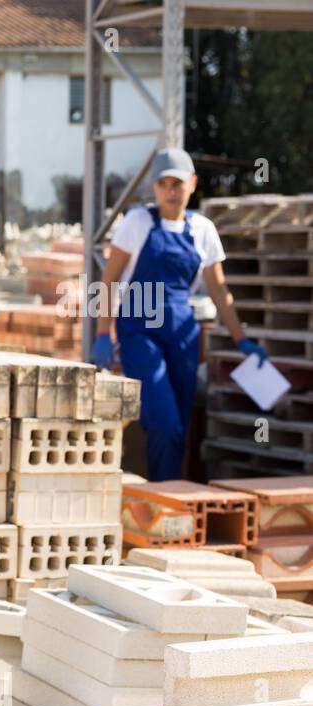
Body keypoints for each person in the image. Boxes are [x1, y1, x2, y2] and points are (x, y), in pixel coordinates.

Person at [92, 148, 268, 481]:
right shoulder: (137, 222)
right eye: (165, 184)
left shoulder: (202, 229)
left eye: (179, 183)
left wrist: (242, 340)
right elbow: (109, 279)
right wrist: (104, 332)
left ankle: (171, 498)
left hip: (183, 335)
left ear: (193, 183)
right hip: (140, 333)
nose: (172, 191)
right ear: (155, 188)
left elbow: (218, 290)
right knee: (164, 422)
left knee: (181, 427)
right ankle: (163, 500)